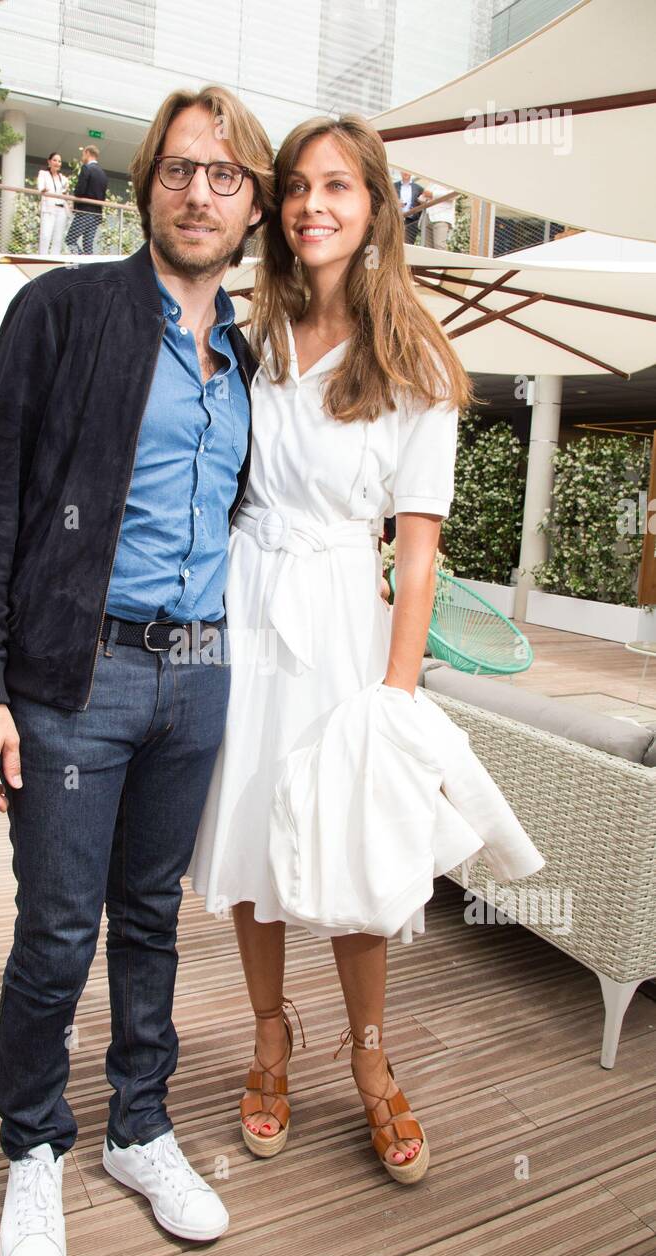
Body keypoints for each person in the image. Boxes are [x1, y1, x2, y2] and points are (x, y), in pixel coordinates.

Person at [0, 84, 275, 1256]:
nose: (199, 192)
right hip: (75, 678)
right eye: (180, 170)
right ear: (146, 186)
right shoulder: (62, 311)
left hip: (197, 677)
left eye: (225, 176)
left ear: (251, 205)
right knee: (56, 929)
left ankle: (139, 1124)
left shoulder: (245, 353)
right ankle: (33, 1139)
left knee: (150, 920)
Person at [188, 112, 526, 1183]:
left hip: (344, 620)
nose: (309, 205)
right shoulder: (252, 340)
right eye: (294, 187)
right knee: (248, 837)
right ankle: (268, 1034)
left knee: (353, 851)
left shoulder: (414, 357)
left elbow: (415, 555)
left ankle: (369, 1057)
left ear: (374, 207)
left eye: (336, 186)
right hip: (244, 607)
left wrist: (394, 692)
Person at [66, 145, 108, 254]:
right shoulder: (103, 174)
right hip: (96, 214)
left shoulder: (86, 168)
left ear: (87, 153)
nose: (82, 157)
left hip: (84, 212)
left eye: (83, 154)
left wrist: (74, 205)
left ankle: (81, 263)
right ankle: (89, 266)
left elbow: (80, 191)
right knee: (88, 246)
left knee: (70, 240)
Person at [36, 152, 69, 256]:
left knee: (58, 238)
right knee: (46, 235)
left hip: (61, 209)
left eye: (59, 161)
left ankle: (55, 260)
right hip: (49, 208)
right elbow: (40, 187)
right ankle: (42, 259)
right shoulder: (43, 174)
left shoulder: (63, 178)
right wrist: (43, 190)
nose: (57, 163)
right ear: (49, 161)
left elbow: (65, 192)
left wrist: (66, 191)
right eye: (55, 160)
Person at [420, 183, 456, 249]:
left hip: (441, 217)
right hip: (427, 217)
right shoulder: (431, 183)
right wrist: (422, 198)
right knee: (427, 249)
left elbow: (453, 195)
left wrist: (432, 194)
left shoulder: (451, 179)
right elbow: (423, 197)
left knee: (439, 246)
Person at [393, 168, 424, 244]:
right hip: (396, 219)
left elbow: (421, 204)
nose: (405, 173)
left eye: (407, 170)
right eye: (403, 170)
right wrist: (395, 203)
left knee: (409, 244)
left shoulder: (419, 188)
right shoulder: (393, 186)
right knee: (395, 243)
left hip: (411, 222)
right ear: (400, 172)